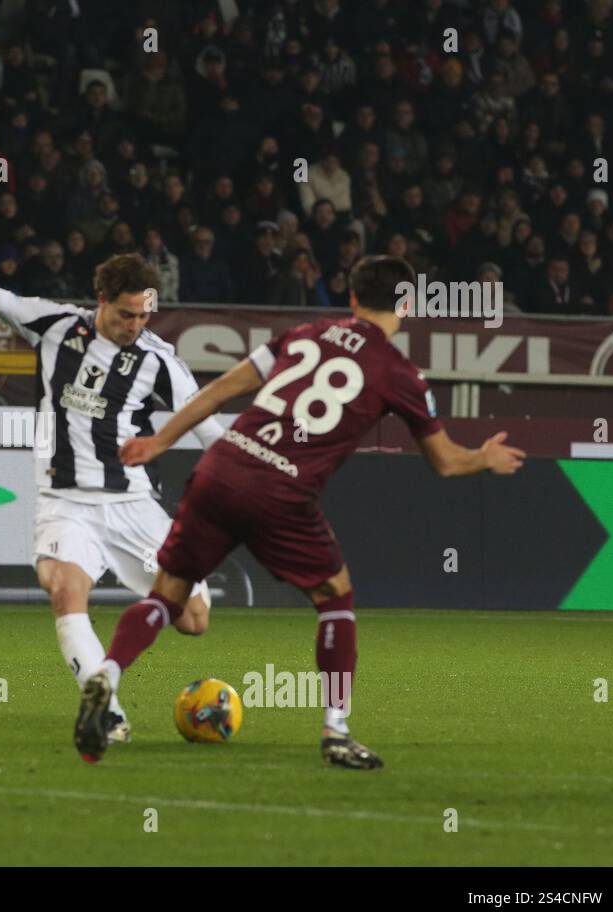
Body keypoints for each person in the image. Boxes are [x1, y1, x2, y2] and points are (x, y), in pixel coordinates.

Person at [74, 255, 525, 767]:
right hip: (280, 490)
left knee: (168, 596)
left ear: (352, 298)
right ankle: (336, 732)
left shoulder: (307, 333)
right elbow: (445, 463)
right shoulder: (401, 374)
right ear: (407, 304)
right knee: (335, 596)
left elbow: (222, 389)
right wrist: (483, 458)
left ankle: (106, 676)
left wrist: (160, 442)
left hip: (221, 469)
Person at [0, 209, 218, 744]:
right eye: (128, 315)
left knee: (194, 618)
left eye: (145, 316)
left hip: (131, 502)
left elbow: (205, 421)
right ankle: (104, 710)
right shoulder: (57, 324)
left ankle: (107, 681)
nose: (136, 326)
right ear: (102, 301)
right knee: (64, 587)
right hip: (64, 499)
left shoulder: (158, 360)